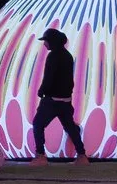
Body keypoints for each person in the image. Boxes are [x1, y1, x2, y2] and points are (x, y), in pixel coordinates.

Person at [31, 27, 85, 161]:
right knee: (70, 127)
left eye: (46, 41)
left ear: (52, 42)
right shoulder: (67, 56)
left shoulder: (53, 56)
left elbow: (49, 77)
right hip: (66, 100)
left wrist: (42, 90)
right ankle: (82, 155)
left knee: (38, 124)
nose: (44, 44)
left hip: (52, 100)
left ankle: (40, 155)